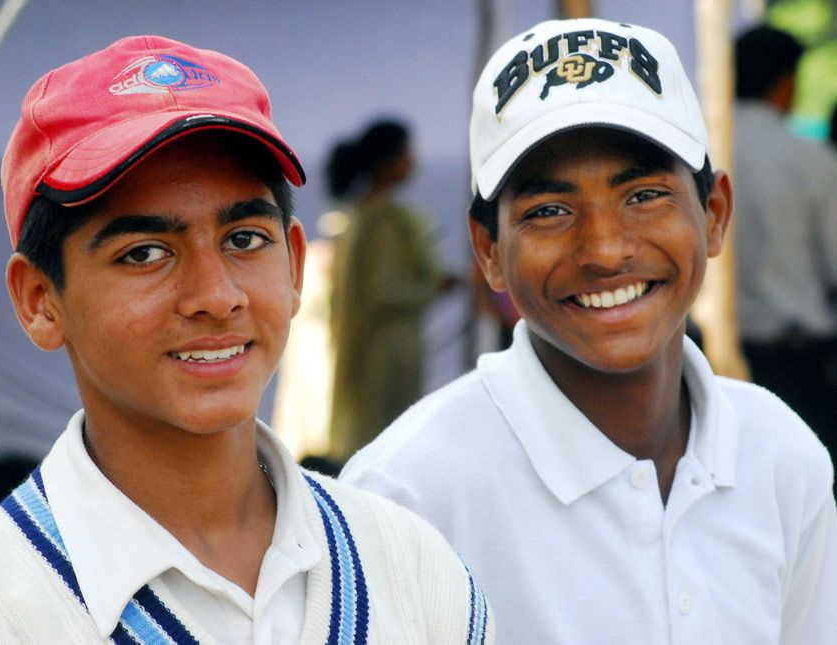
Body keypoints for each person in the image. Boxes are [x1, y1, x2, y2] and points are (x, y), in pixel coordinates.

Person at [0, 36, 494, 644]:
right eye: (144, 253)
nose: (217, 294)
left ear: (296, 265)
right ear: (40, 301)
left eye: (245, 239)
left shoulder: (410, 567)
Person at [342, 17, 837, 643]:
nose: (604, 249)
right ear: (488, 250)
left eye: (644, 195)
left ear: (713, 215)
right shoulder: (402, 501)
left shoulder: (781, 457)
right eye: (549, 210)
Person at [732, 25, 837, 457]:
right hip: (800, 357)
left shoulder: (702, 149)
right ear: (786, 83)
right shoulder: (809, 159)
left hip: (723, 349)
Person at [327, 120, 453, 463]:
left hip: (368, 346)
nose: (413, 161)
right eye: (407, 152)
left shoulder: (362, 213)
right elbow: (385, 291)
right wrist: (434, 286)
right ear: (390, 159)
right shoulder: (386, 219)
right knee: (385, 442)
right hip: (387, 353)